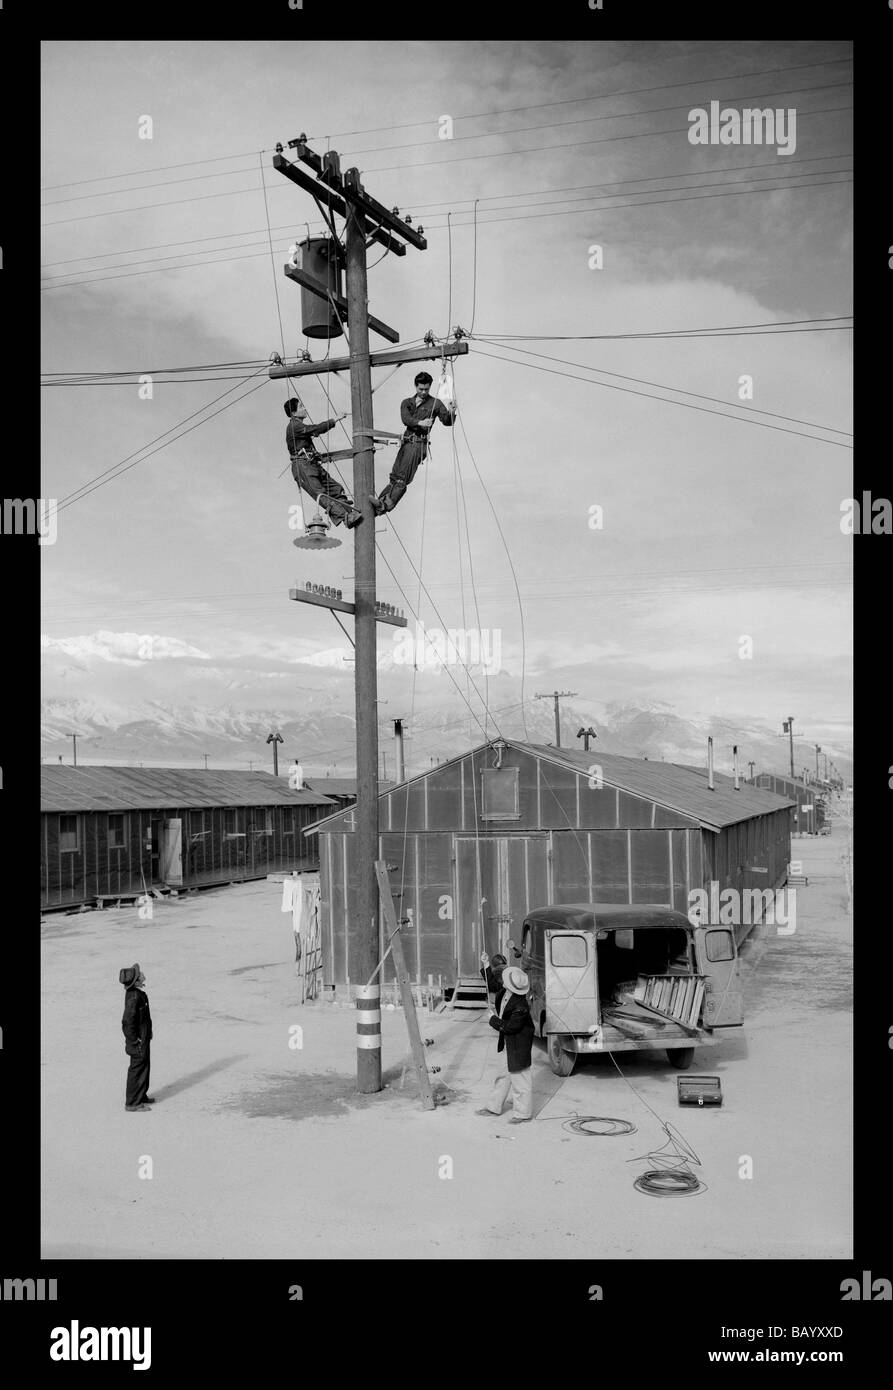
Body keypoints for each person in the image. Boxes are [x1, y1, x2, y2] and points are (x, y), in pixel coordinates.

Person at [369, 372, 456, 514]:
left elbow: (447, 421)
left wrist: (452, 411)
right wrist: (420, 422)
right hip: (406, 443)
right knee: (394, 477)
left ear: (430, 387)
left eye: (426, 389)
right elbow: (406, 419)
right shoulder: (406, 403)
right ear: (415, 386)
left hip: (418, 445)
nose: (423, 392)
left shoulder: (436, 403)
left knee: (402, 479)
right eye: (420, 389)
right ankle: (378, 505)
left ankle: (384, 507)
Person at [285, 398, 363, 528]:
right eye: (301, 406)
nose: (305, 408)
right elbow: (316, 429)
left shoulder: (297, 425)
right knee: (321, 494)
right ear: (293, 413)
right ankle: (346, 517)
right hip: (302, 466)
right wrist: (335, 419)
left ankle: (349, 512)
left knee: (335, 488)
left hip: (311, 464)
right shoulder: (294, 426)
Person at [475, 965, 535, 1124]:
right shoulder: (504, 992)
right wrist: (486, 965)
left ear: (509, 985)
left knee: (520, 1078)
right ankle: (493, 1107)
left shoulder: (520, 1005)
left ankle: (523, 1114)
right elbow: (493, 984)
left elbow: (511, 1027)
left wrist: (492, 1019)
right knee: (503, 1074)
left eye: (505, 980)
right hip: (508, 1042)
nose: (502, 981)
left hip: (519, 1043)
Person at [120, 963, 154, 1112]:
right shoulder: (134, 997)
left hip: (143, 1037)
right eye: (140, 975)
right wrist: (135, 1041)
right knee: (137, 1069)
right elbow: (127, 1022)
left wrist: (148, 1032)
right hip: (137, 1041)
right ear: (136, 981)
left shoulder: (137, 993)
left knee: (144, 1065)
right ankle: (133, 1103)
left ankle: (141, 1095)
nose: (142, 975)